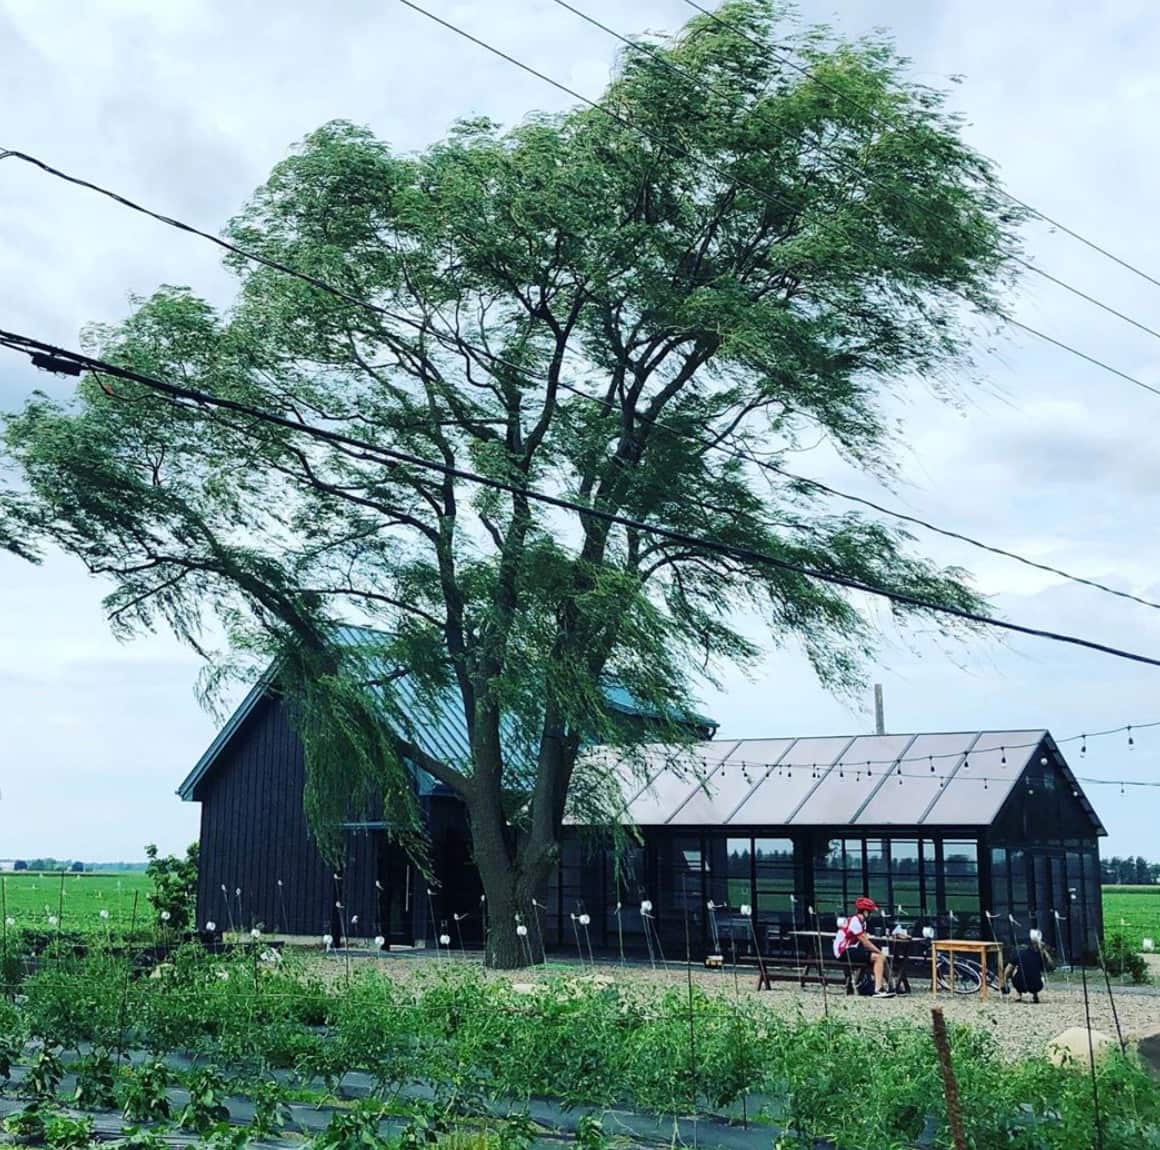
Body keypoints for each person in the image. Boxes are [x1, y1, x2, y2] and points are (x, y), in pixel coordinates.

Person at [834, 896, 893, 997]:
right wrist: (879, 952)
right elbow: (865, 942)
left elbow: (863, 937)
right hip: (844, 951)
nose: (871, 915)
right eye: (870, 912)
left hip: (851, 949)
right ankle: (878, 989)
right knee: (879, 957)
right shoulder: (855, 921)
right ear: (865, 912)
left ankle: (892, 986)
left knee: (883, 958)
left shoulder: (862, 922)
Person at [1001, 935, 1052, 1003]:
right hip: (1037, 985)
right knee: (1037, 973)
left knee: (1015, 970)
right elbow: (1051, 965)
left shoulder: (1019, 953)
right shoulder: (1041, 955)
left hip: (1020, 984)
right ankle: (1035, 994)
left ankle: (1018, 995)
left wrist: (1005, 981)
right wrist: (1044, 951)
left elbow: (1008, 968)